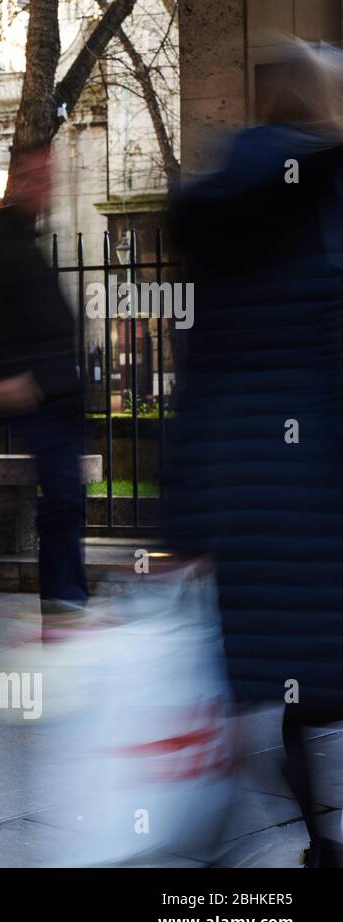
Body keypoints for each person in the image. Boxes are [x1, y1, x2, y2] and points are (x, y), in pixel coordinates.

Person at [167, 41, 343, 867]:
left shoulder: (214, 209)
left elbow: (193, 372)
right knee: (318, 685)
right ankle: (322, 842)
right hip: (315, 487)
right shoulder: (328, 205)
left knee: (248, 679)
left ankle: (209, 850)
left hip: (237, 487)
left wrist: (186, 515)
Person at [0, 144, 87, 638]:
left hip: (53, 397)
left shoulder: (24, 240)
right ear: (17, 183)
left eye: (49, 178)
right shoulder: (1, 244)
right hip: (33, 398)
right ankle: (64, 609)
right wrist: (3, 382)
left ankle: (68, 607)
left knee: (65, 503)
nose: (45, 187)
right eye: (36, 178)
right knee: (60, 503)